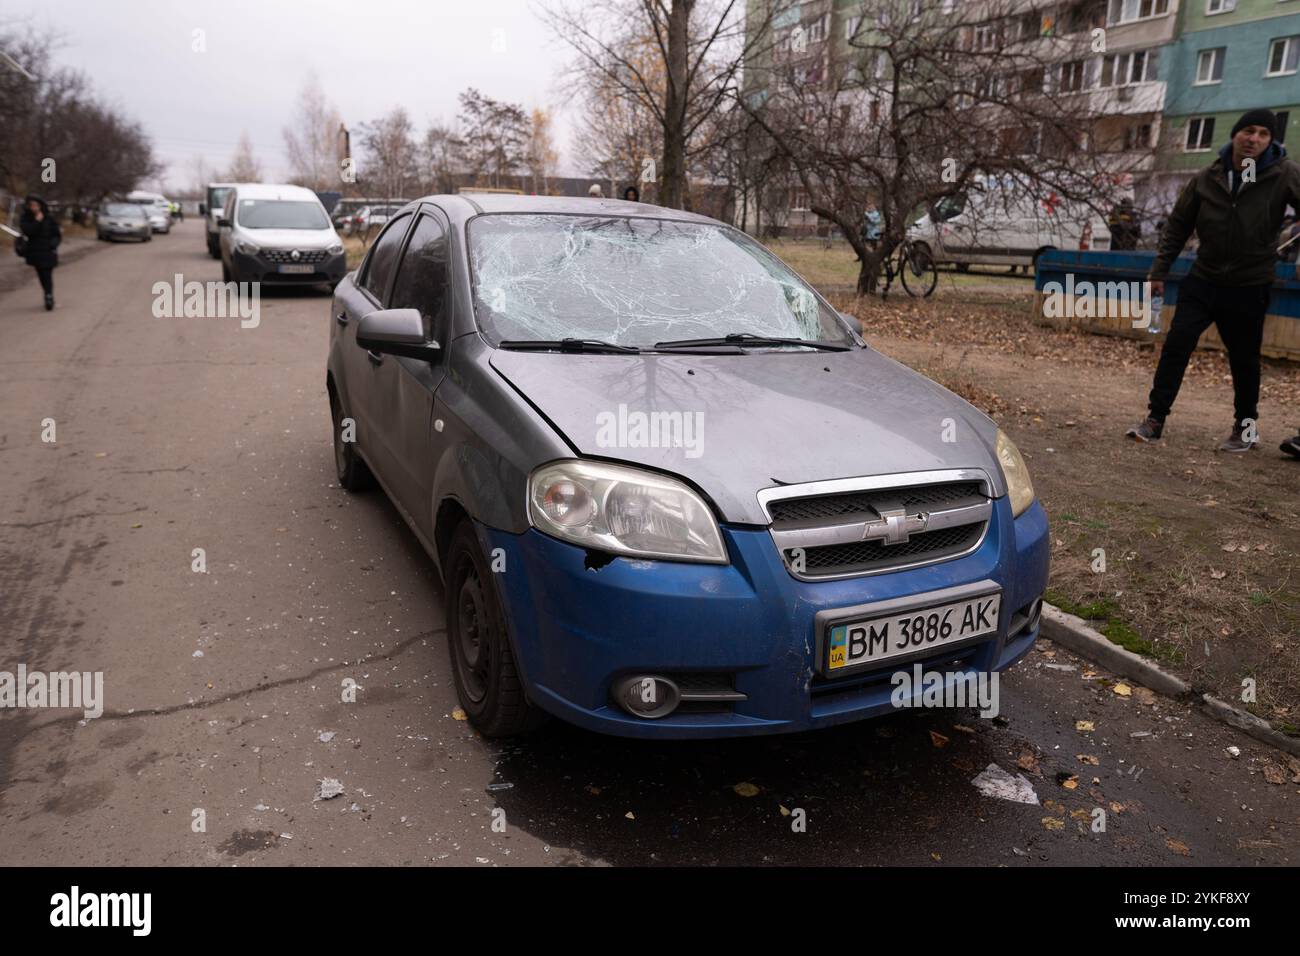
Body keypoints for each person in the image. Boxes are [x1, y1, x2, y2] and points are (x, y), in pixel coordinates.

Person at [1126, 109, 1300, 452]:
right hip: (1204, 278)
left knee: (1244, 359)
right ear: (1235, 135)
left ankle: (1245, 430)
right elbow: (1178, 226)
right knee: (1177, 345)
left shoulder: (1283, 174)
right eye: (1248, 131)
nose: (1254, 139)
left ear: (1270, 141)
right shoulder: (1209, 177)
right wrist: (1159, 271)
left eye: (1263, 133)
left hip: (1250, 284)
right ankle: (1154, 420)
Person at [19, 194, 62, 311]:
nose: (34, 208)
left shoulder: (49, 218)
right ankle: (47, 293)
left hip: (48, 251)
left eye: (36, 205)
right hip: (35, 252)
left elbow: (57, 234)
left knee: (47, 274)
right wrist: (37, 221)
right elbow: (28, 232)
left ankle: (49, 296)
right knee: (41, 274)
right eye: (32, 205)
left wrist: (53, 244)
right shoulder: (26, 218)